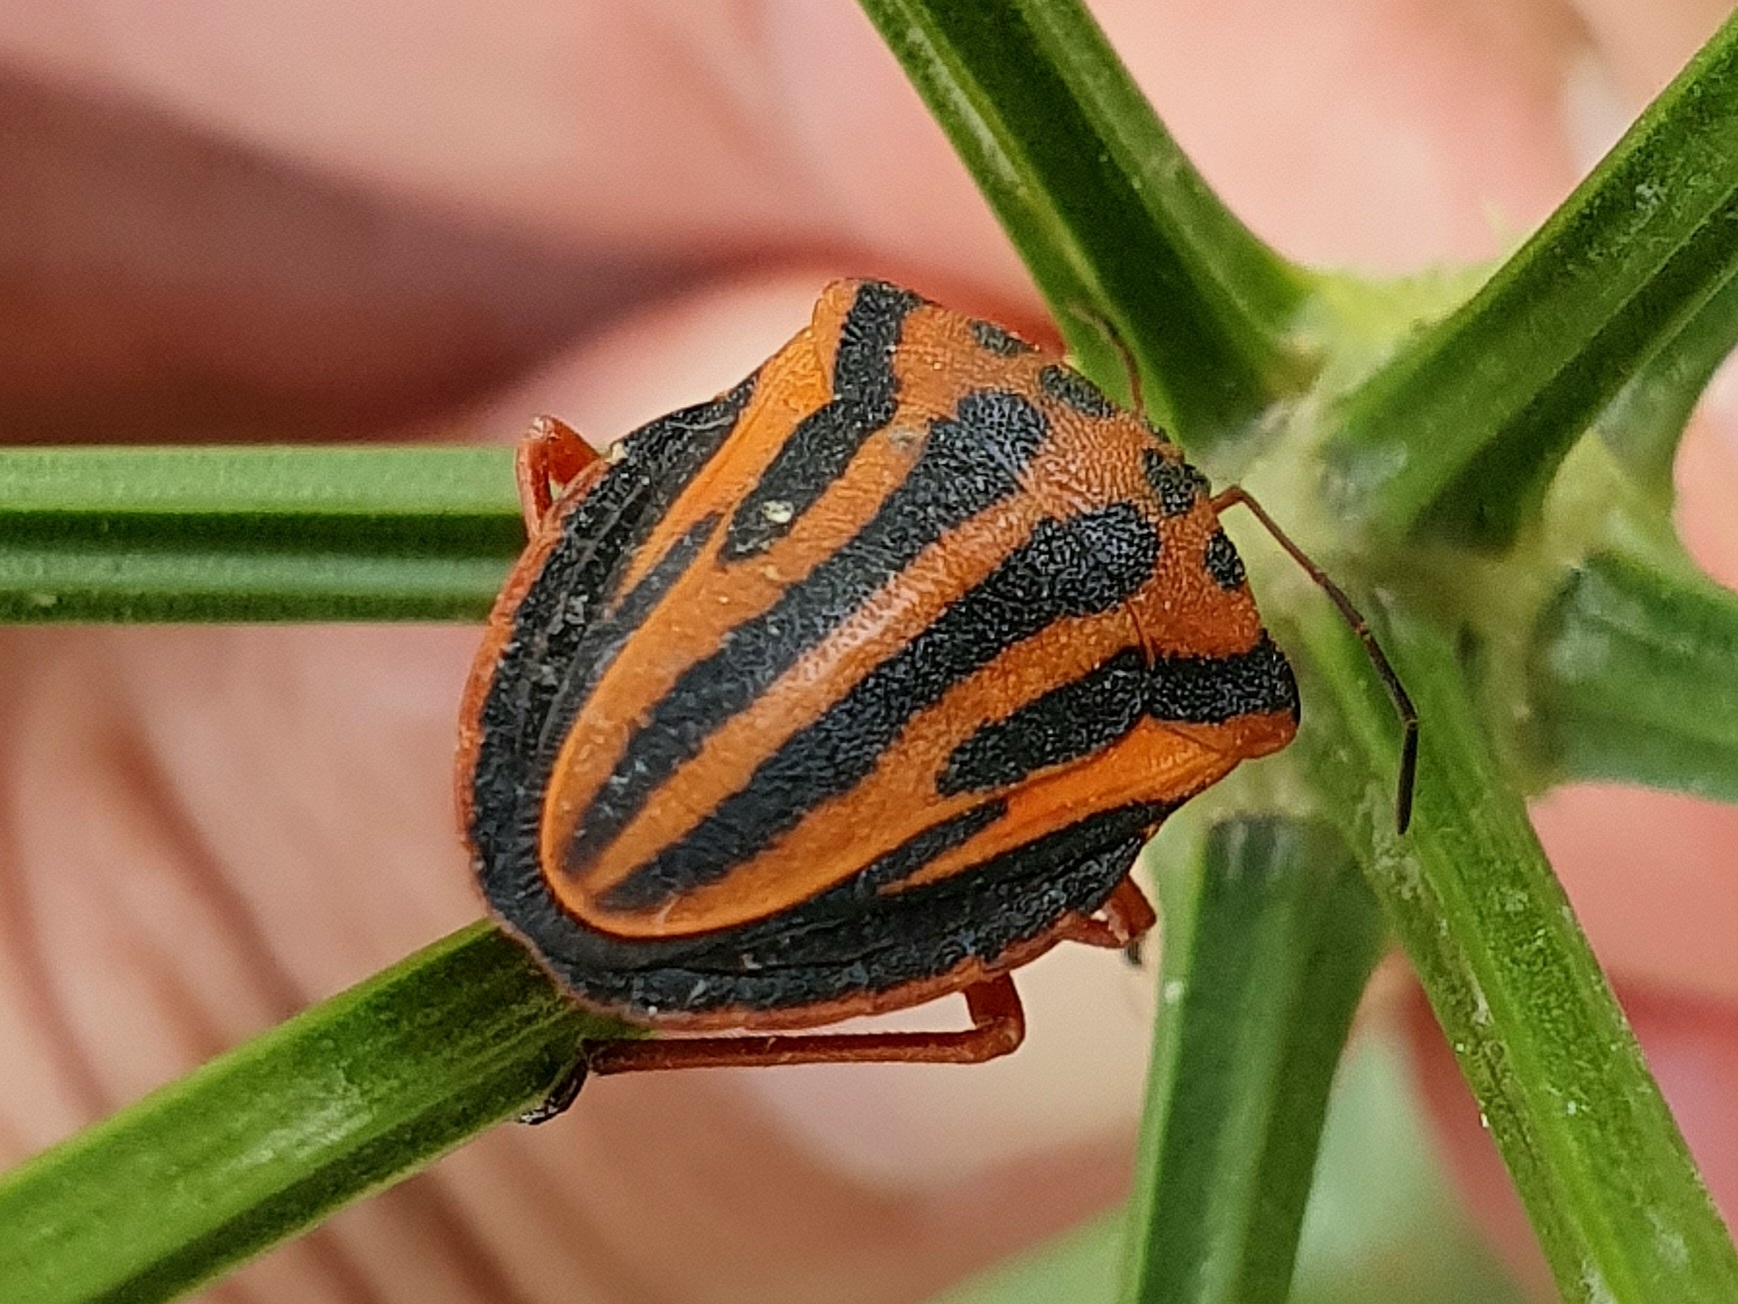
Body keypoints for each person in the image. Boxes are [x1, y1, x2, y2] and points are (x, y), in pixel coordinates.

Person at [1, 3, 1734, 1299]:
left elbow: (634, 458)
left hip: (634, 713)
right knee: (997, 1016)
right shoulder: (1201, 713)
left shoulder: (937, 422)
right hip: (668, 797)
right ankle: (642, 1026)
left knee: (573, 477)